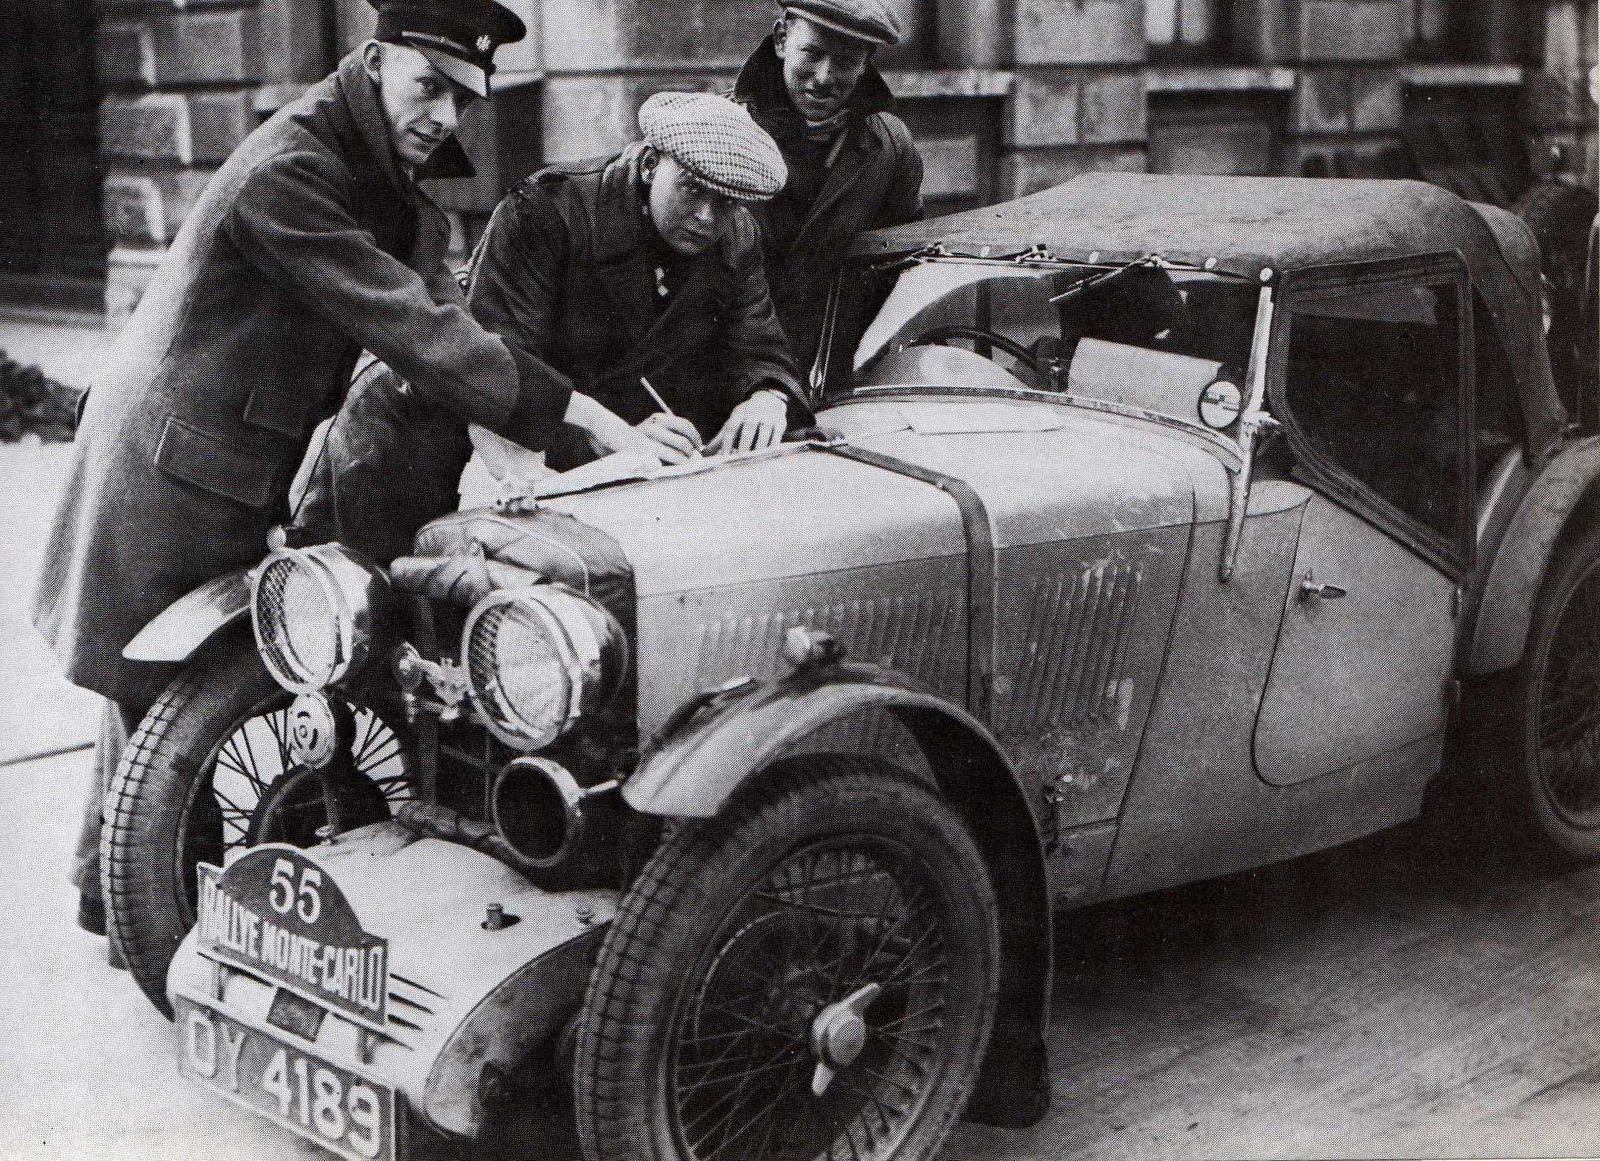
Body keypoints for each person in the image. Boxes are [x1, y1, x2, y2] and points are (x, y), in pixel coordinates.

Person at [34, 0, 597, 943]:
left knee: (156, 683)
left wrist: (523, 435)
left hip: (225, 447)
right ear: (374, 62)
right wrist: (582, 415)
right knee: (169, 681)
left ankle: (113, 889)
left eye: (466, 100)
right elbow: (414, 330)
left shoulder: (378, 165)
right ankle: (150, 912)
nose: (446, 118)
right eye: (430, 86)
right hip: (175, 458)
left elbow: (447, 314)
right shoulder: (291, 167)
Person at [291, 90, 808, 565]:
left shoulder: (733, 239)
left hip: (583, 458)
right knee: (363, 607)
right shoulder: (547, 211)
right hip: (421, 438)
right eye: (693, 191)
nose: (706, 217)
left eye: (726, 204)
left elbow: (757, 339)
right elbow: (500, 365)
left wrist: (766, 395)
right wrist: (615, 436)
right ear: (651, 164)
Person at [732, 0, 925, 376]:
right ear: (782, 39)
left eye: (847, 61)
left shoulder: (890, 149)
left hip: (838, 382)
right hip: (733, 383)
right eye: (812, 53)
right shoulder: (726, 131)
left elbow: (903, 273)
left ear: (866, 63)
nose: (824, 77)